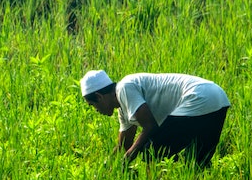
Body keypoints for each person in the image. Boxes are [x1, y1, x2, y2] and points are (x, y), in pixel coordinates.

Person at [80, 70, 230, 167]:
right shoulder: (124, 109)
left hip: (198, 97)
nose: (96, 110)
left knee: (150, 151)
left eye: (93, 105)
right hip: (218, 98)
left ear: (99, 97)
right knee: (196, 165)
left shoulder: (124, 88)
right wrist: (106, 167)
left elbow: (150, 126)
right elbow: (124, 144)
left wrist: (127, 159)